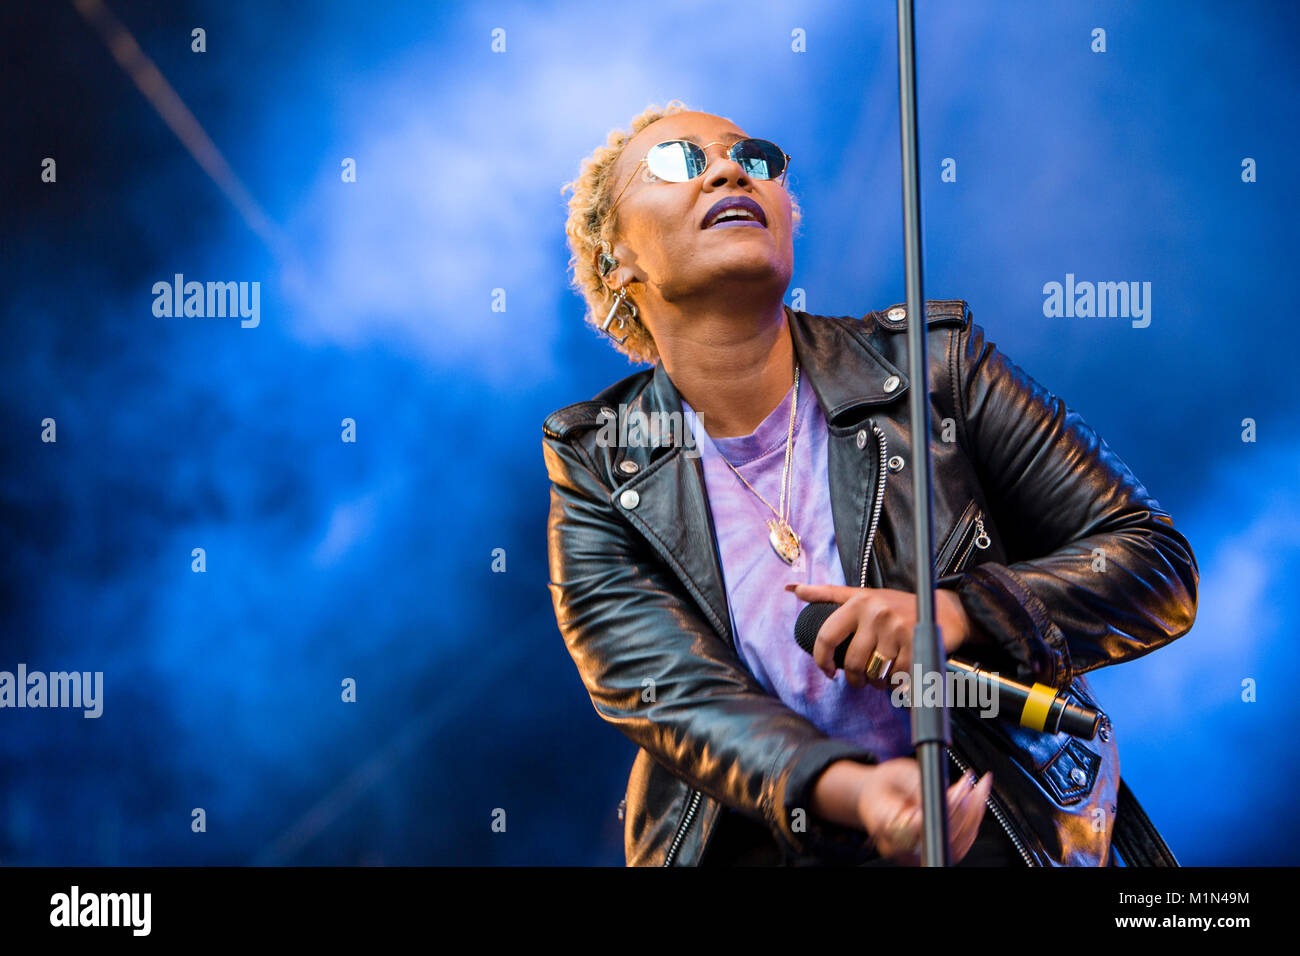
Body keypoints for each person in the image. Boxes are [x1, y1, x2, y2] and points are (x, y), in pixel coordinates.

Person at [545, 100, 1198, 866]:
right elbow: (671, 693)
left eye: (752, 159)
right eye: (680, 163)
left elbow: (1153, 564)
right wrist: (859, 794)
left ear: (786, 217)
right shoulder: (598, 459)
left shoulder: (933, 366)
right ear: (614, 256)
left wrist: (955, 612)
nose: (728, 168)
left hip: (1005, 837)